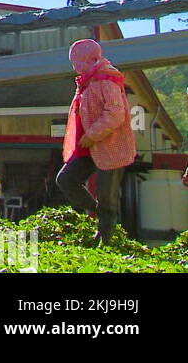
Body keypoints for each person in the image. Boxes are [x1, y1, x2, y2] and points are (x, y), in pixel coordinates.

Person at [55, 39, 136, 247]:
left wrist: (93, 134)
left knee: (107, 194)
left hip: (111, 146)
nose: (74, 66)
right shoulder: (86, 81)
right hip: (88, 146)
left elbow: (116, 113)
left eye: (76, 61)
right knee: (66, 179)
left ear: (88, 59)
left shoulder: (107, 79)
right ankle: (98, 212)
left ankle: (106, 239)